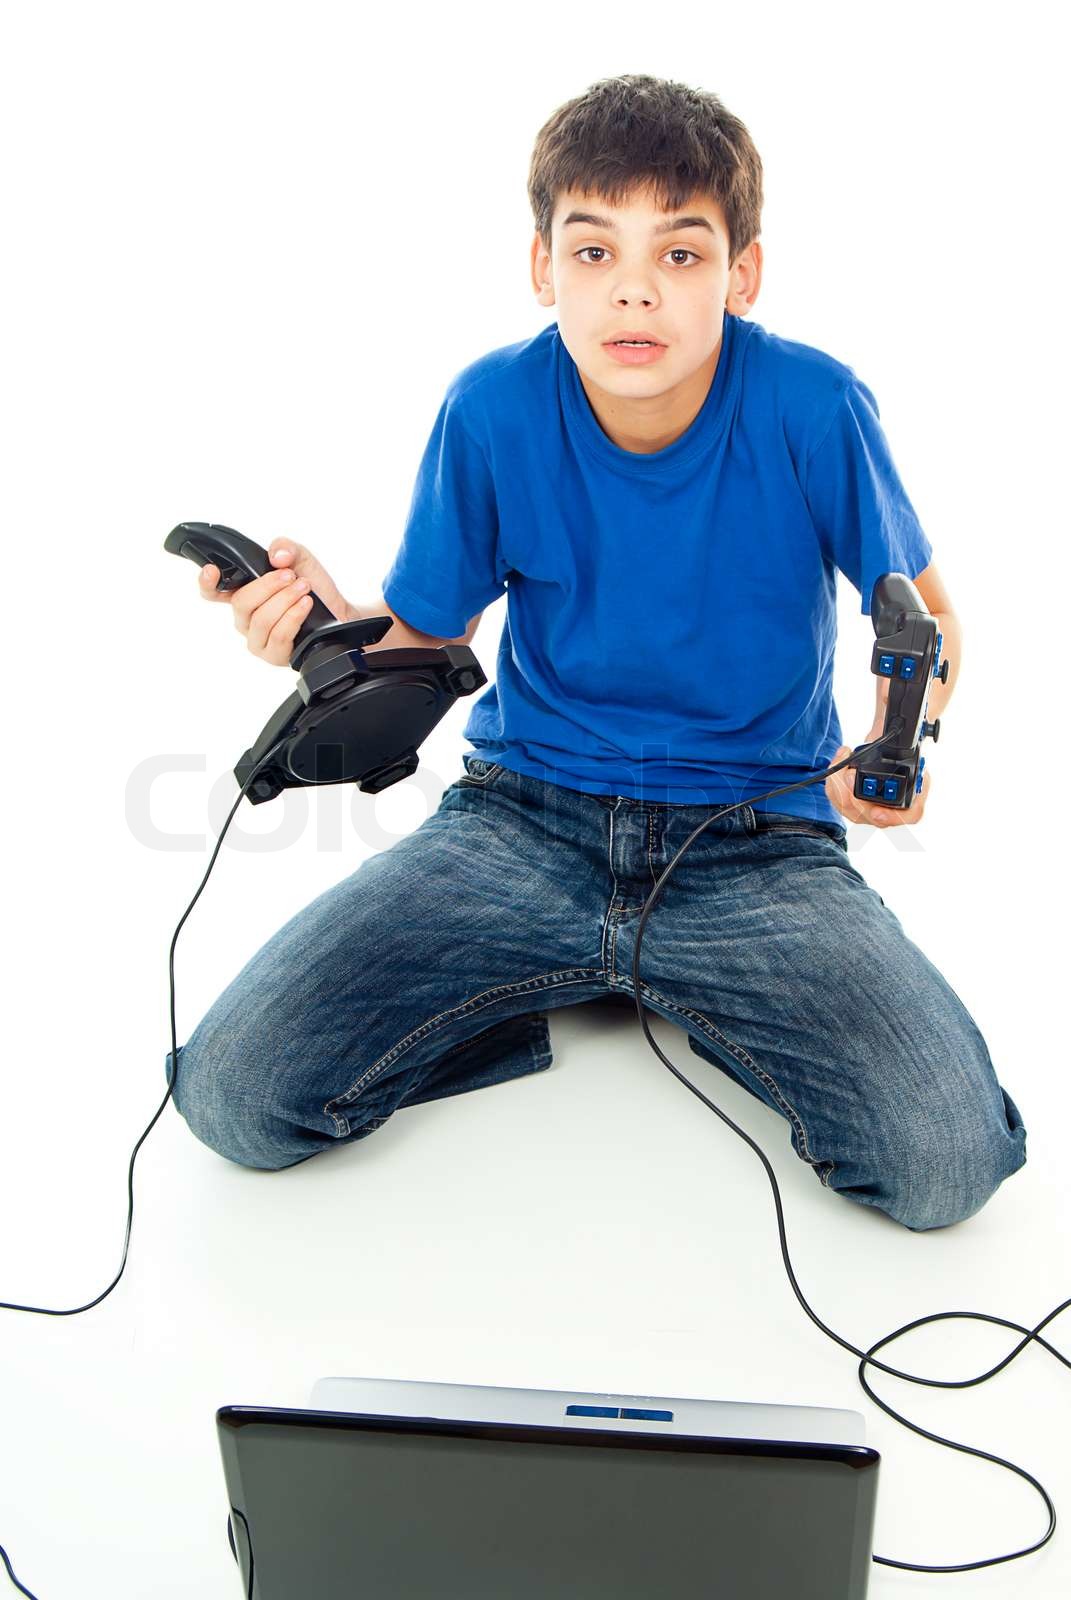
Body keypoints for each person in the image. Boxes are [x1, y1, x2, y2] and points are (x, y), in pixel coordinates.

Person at [168, 72, 1026, 1231]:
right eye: (592, 252)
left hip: (754, 839)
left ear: (742, 271)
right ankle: (543, 996)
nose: (634, 290)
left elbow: (923, 622)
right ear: (541, 269)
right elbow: (429, 636)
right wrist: (326, 631)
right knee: (235, 1097)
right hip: (525, 818)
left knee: (942, 1165)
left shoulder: (812, 407)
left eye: (680, 254)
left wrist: (894, 744)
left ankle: (695, 998)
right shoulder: (492, 410)